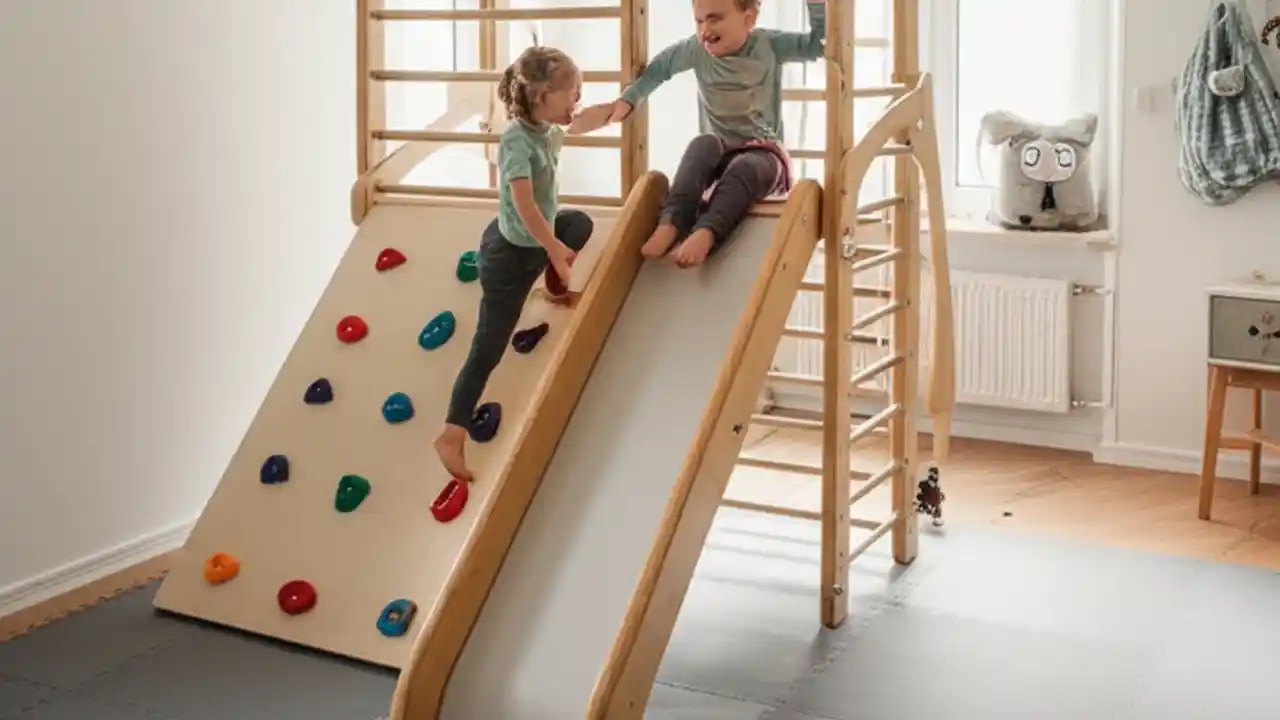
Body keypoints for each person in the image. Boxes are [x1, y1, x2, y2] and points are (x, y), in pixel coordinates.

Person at [434, 45, 595, 481]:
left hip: (532, 243)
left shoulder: (545, 129)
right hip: (508, 257)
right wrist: (554, 250)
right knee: (489, 346)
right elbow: (525, 206)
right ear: (542, 96)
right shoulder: (516, 141)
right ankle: (451, 433)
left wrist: (623, 105)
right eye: (572, 94)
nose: (577, 101)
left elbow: (585, 121)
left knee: (579, 223)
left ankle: (552, 284)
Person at [598, 0, 827, 267]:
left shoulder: (769, 45)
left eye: (715, 19)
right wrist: (628, 100)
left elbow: (817, 45)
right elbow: (659, 69)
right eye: (699, 21)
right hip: (720, 155)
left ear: (748, 18)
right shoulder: (696, 50)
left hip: (765, 156)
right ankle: (671, 221)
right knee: (702, 144)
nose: (705, 29)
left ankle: (707, 232)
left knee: (745, 166)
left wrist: (816, 5)